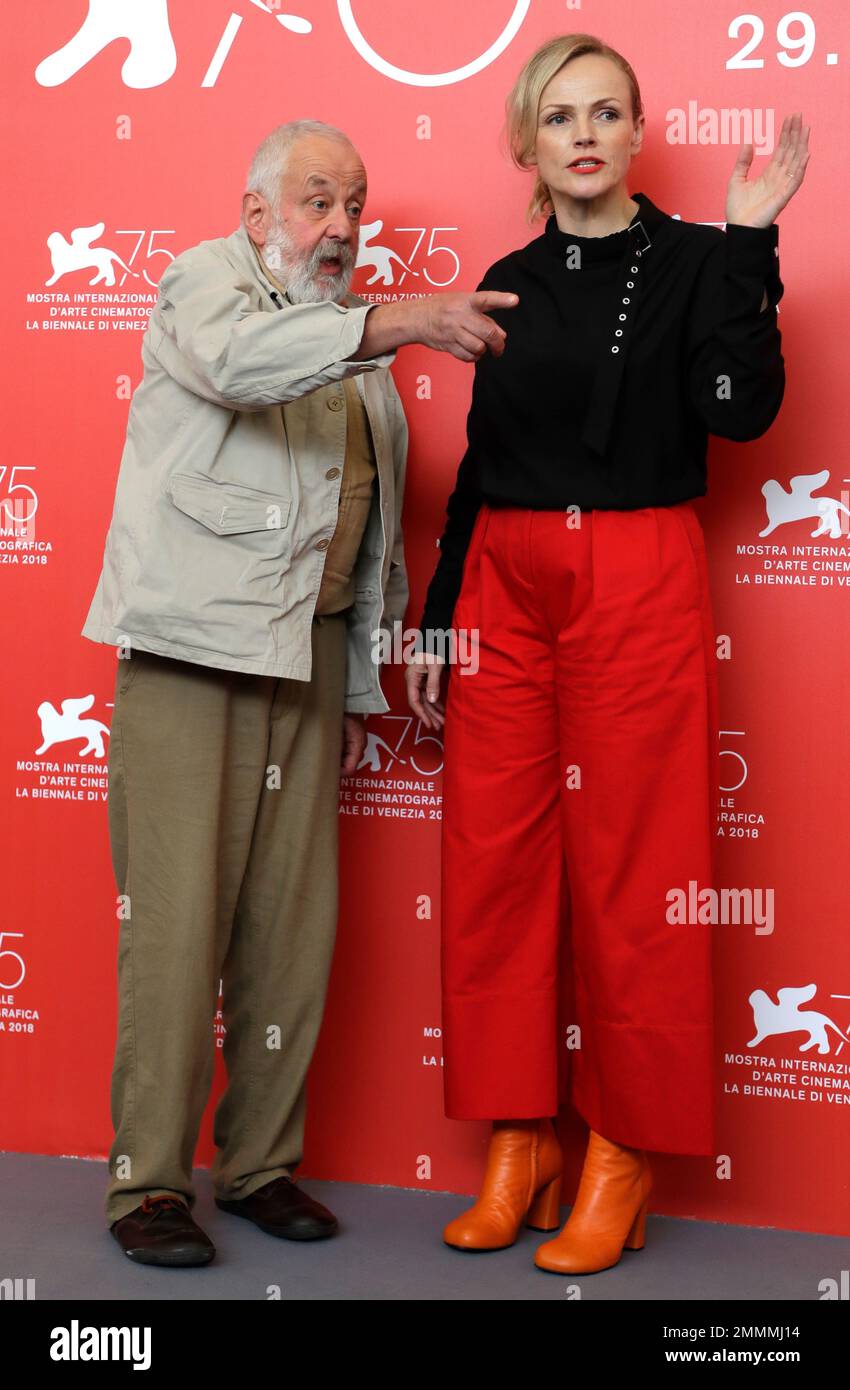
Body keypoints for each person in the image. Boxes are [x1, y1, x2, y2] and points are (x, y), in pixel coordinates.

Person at [81, 118, 518, 1267]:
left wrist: (390, 651)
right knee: (176, 927)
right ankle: (149, 1184)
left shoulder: (354, 352)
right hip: (192, 653)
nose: (340, 226)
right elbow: (238, 366)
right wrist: (408, 321)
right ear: (258, 211)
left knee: (290, 930)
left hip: (310, 662)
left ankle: (262, 1163)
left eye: (355, 206)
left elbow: (368, 528)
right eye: (317, 200)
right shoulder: (203, 283)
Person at [406, 34, 808, 1274]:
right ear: (528, 143)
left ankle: (621, 1154)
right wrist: (435, 612)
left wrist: (750, 244)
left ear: (638, 135)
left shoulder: (696, 260)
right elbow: (481, 458)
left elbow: (739, 412)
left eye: (608, 112)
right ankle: (521, 1138)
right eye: (559, 115)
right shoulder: (509, 275)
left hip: (634, 574)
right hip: (504, 584)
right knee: (492, 861)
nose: (584, 133)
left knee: (639, 870)